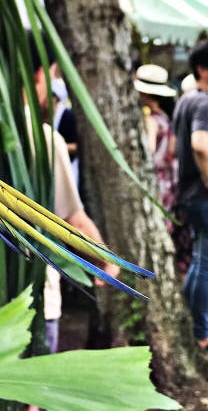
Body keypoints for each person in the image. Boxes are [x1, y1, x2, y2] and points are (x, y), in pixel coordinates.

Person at [26, 37, 119, 354]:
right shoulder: (43, 141)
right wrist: (105, 261)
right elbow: (72, 221)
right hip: (33, 300)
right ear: (38, 74)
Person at [173, 39, 208, 349]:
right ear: (202, 69)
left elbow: (176, 146)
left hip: (186, 192)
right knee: (205, 259)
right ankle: (202, 331)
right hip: (201, 194)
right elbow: (200, 144)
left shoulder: (186, 100)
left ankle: (196, 324)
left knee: (200, 257)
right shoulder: (204, 103)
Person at [134, 64, 178, 217]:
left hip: (158, 179)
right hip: (170, 178)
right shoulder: (165, 116)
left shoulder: (150, 120)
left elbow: (150, 149)